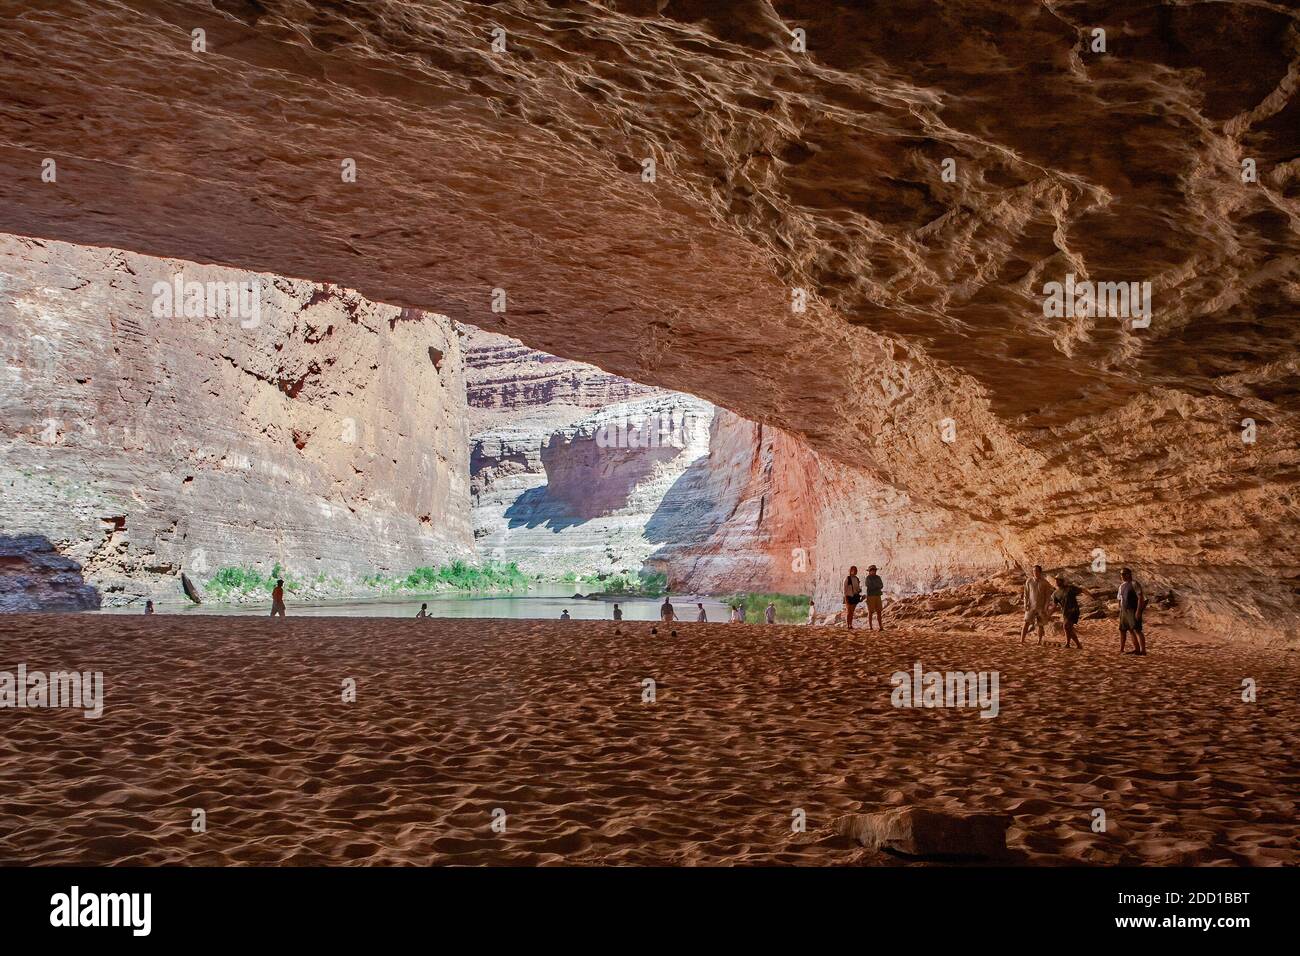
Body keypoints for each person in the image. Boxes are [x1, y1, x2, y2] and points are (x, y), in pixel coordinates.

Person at [1020, 565, 1053, 645]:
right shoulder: (1029, 581)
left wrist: (1046, 607)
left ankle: (1039, 641)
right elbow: (1026, 594)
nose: (1035, 572)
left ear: (1040, 572)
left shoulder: (1045, 583)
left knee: (1040, 625)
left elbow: (1048, 596)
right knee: (1026, 623)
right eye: (1034, 571)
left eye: (1037, 571)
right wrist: (1025, 604)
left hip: (1041, 607)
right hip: (1030, 606)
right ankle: (1022, 640)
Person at [1118, 568, 1147, 655]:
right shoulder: (1121, 586)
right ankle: (1136, 649)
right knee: (1126, 630)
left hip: (1132, 610)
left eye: (1124, 574)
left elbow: (1140, 598)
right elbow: (1120, 599)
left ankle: (1143, 650)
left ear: (1129, 574)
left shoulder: (1134, 584)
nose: (1122, 576)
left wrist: (1138, 611)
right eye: (1121, 574)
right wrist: (1120, 610)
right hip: (1124, 611)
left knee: (1137, 630)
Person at [1052, 575, 1083, 649]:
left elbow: (1082, 590)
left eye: (1058, 580)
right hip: (1065, 612)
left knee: (1066, 626)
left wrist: (1091, 596)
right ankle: (1071, 644)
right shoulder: (1055, 593)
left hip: (1074, 610)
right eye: (1055, 580)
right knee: (1067, 628)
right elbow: (1054, 606)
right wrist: (1048, 613)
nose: (1056, 581)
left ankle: (1074, 644)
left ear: (1062, 581)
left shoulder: (1070, 588)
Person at [864, 565, 885, 630]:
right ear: (869, 571)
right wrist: (877, 586)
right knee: (870, 611)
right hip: (871, 596)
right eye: (872, 570)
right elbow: (869, 586)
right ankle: (870, 627)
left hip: (877, 595)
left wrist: (875, 586)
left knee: (879, 611)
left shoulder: (878, 577)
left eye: (874, 570)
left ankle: (880, 626)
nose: (873, 571)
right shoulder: (868, 578)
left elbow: (881, 585)